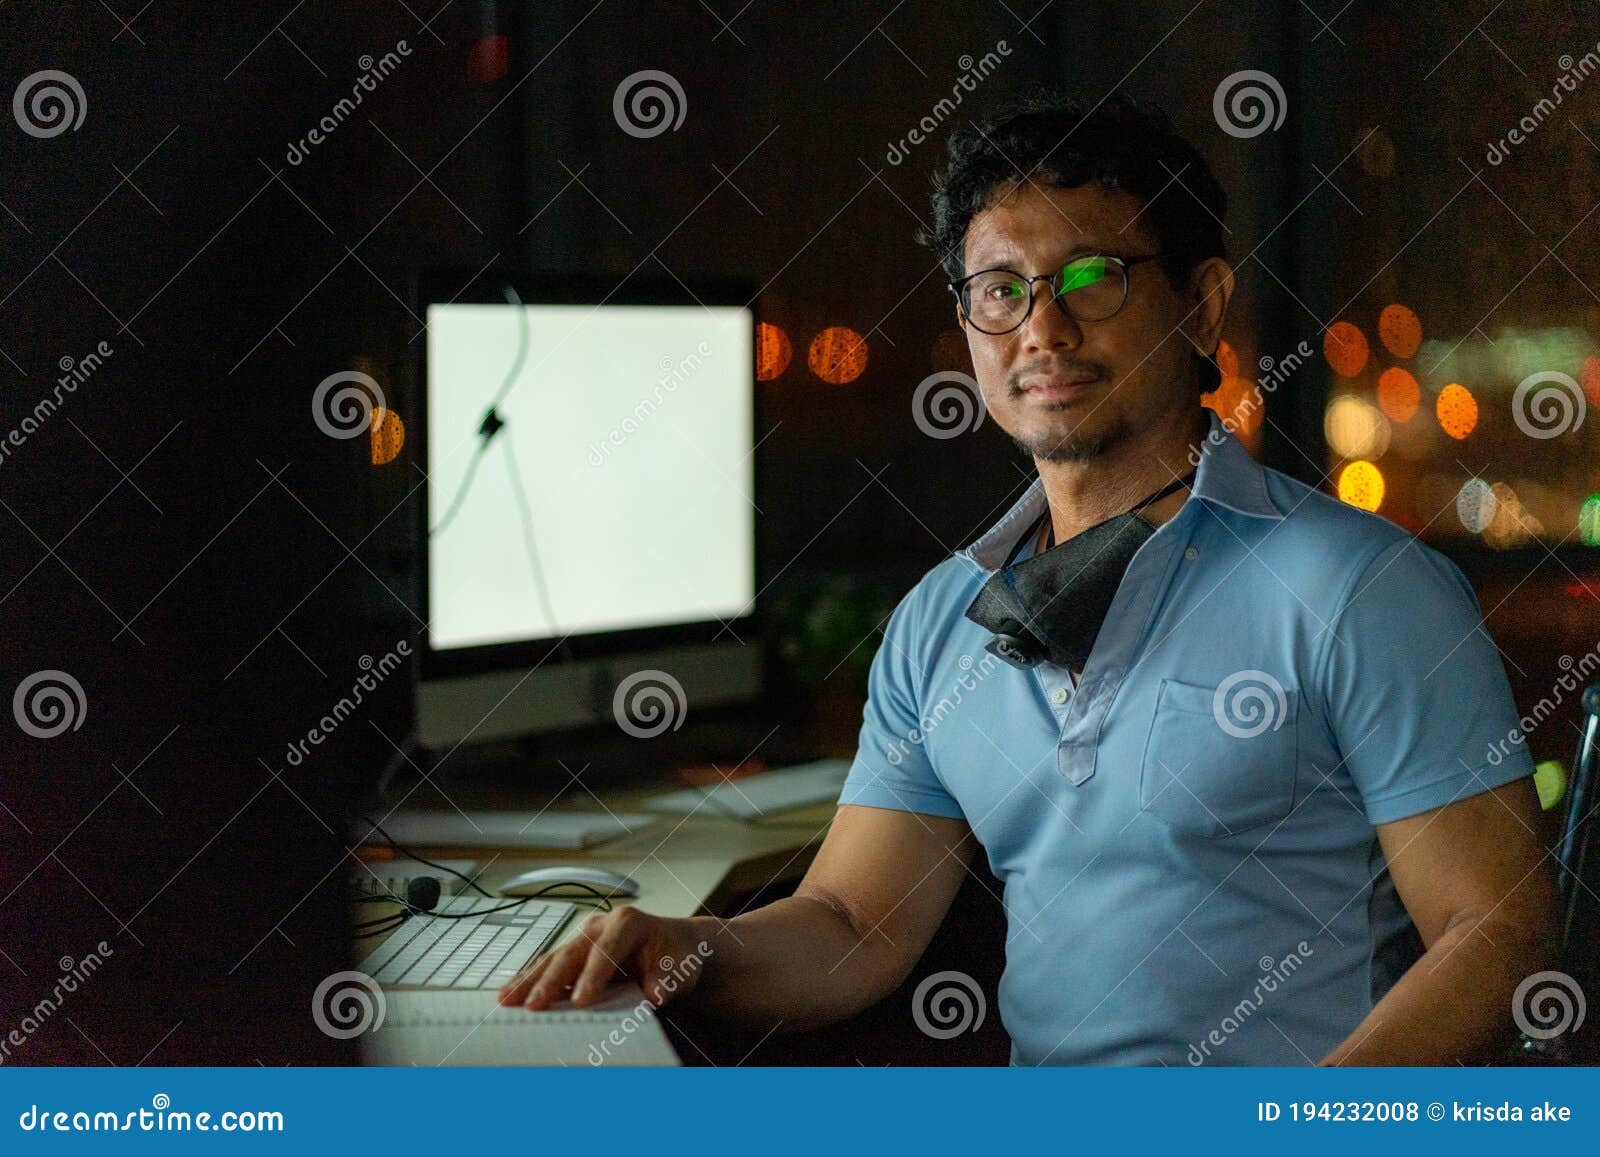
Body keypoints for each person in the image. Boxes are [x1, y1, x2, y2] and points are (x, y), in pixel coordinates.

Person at [499, 92, 1561, 1065]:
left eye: (1093, 278)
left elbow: (1495, 929)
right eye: (1000, 291)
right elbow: (852, 921)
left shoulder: (1365, 588)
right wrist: (686, 946)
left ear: (1201, 307)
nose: (1043, 328)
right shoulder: (941, 620)